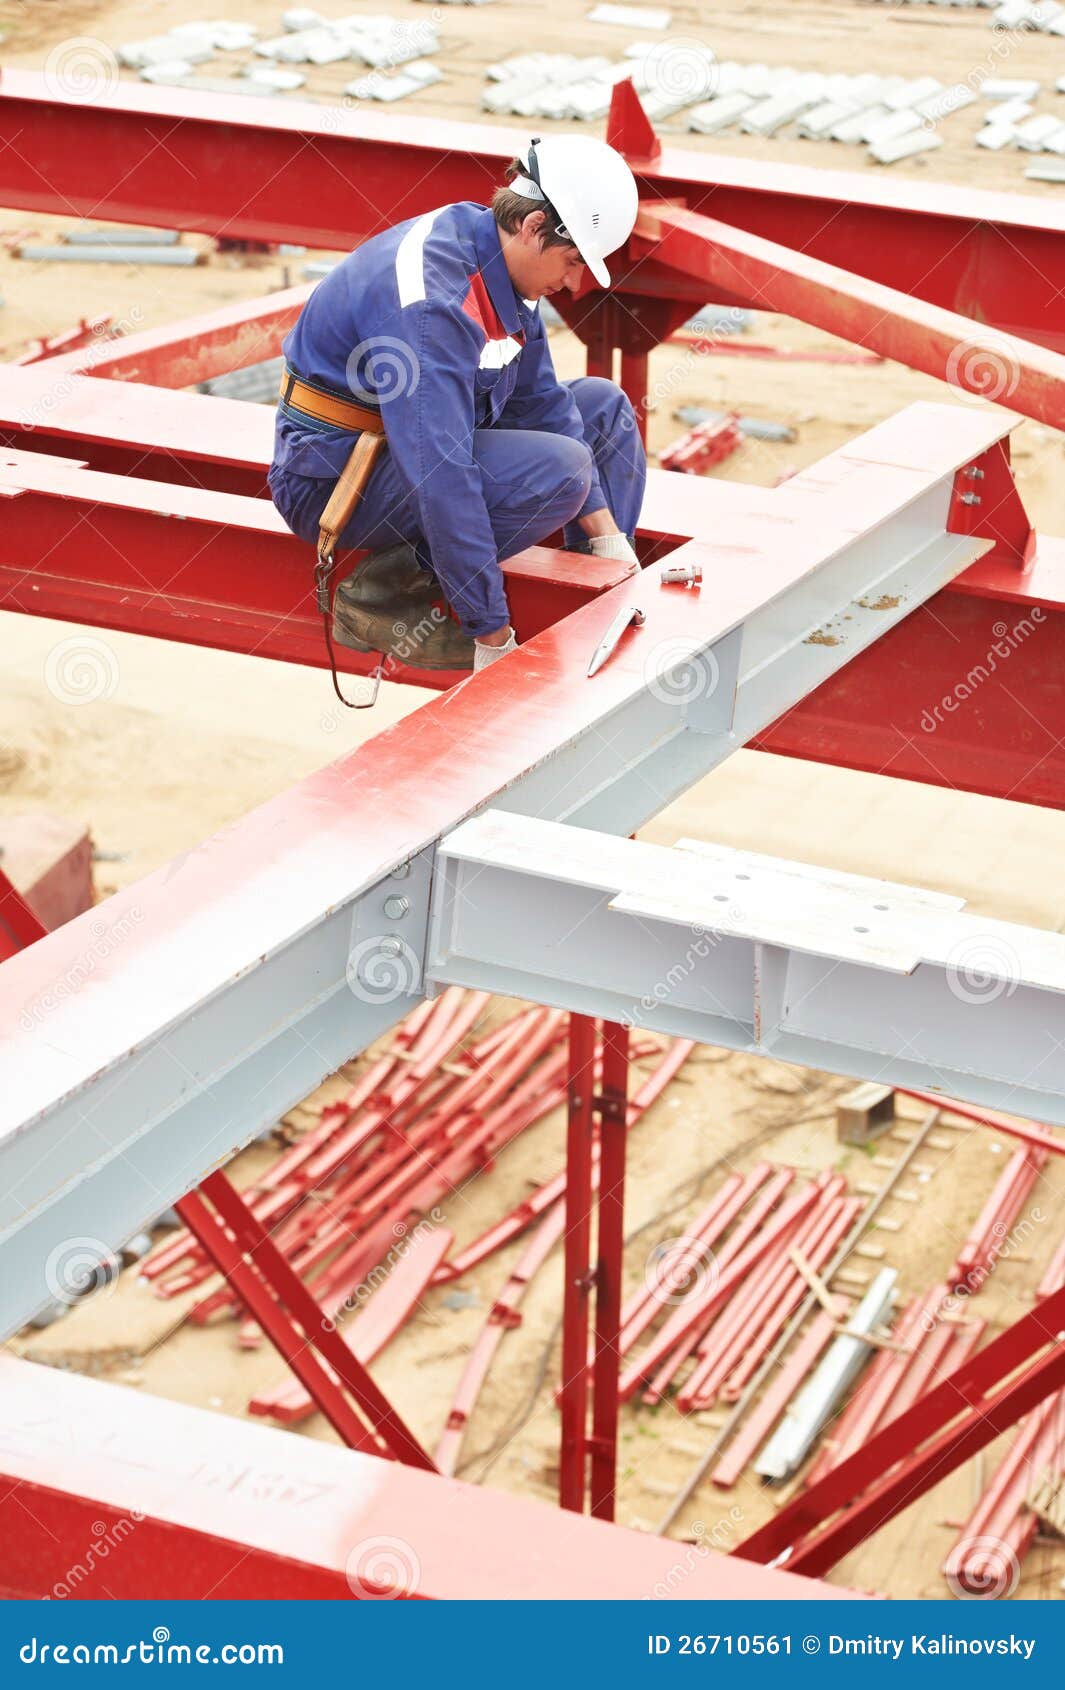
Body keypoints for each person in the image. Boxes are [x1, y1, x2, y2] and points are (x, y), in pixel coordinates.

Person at [268, 134, 647, 674]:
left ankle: (599, 596)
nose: (574, 281)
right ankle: (381, 590)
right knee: (564, 471)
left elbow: (541, 401)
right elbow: (441, 472)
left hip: (412, 445)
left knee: (602, 409)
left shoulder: (499, 262)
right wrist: (491, 634)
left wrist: (608, 539)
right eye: (571, 260)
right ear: (534, 226)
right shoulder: (432, 302)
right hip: (335, 480)